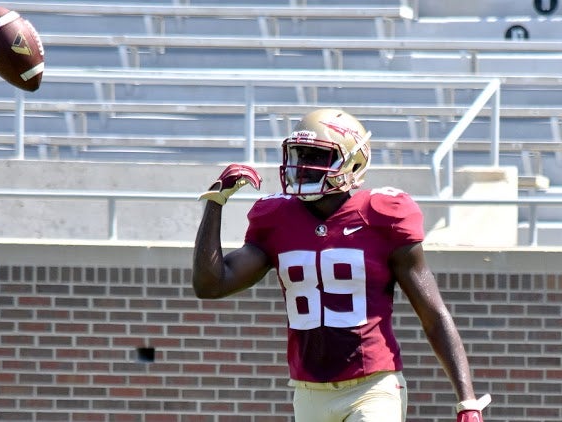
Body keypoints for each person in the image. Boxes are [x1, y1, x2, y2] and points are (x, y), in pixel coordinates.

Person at [192, 108, 490, 422]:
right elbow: (211, 285)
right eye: (299, 154)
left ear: (353, 163)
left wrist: (467, 400)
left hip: (373, 387)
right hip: (309, 392)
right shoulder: (277, 218)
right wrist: (215, 202)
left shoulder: (382, 215)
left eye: (316, 156)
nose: (303, 166)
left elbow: (432, 314)